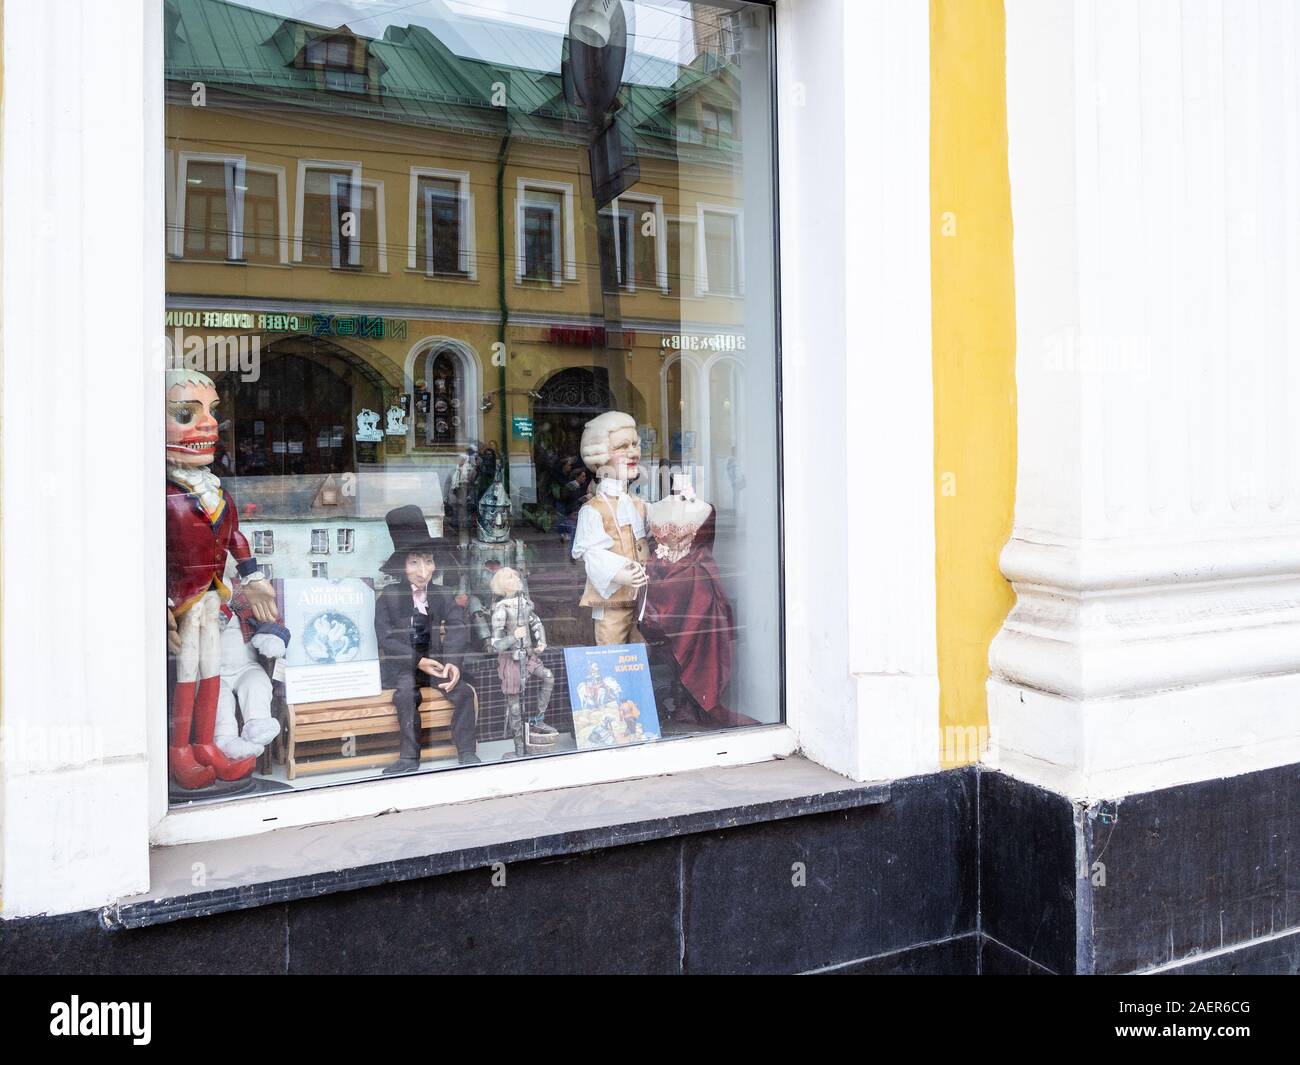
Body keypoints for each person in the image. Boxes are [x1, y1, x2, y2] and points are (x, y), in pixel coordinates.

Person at [374, 505, 480, 772]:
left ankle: (467, 750)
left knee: (464, 692)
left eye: (428, 561)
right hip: (405, 664)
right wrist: (417, 661)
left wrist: (453, 661)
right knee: (405, 697)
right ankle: (409, 758)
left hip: (437, 662)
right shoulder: (389, 596)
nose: (423, 571)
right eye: (414, 563)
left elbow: (457, 625)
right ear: (402, 566)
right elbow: (386, 638)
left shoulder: (442, 594)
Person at [571, 411, 650, 644]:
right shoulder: (594, 509)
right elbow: (590, 553)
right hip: (611, 601)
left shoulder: (638, 504)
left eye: (635, 444)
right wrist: (619, 572)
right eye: (622, 446)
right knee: (611, 654)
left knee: (641, 655)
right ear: (601, 454)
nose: (633, 451)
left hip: (642, 599)